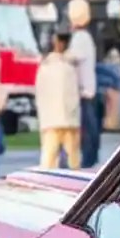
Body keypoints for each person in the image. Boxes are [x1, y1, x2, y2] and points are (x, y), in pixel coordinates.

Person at [36, 31, 82, 169]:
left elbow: (40, 94)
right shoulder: (70, 67)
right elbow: (75, 94)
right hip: (69, 120)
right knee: (74, 160)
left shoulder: (45, 67)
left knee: (48, 161)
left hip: (51, 120)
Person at [65, 0, 99, 168]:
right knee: (88, 127)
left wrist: (57, 57)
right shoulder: (85, 37)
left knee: (85, 129)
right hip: (88, 90)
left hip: (83, 91)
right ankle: (88, 158)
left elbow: (72, 58)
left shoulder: (80, 38)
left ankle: (87, 160)